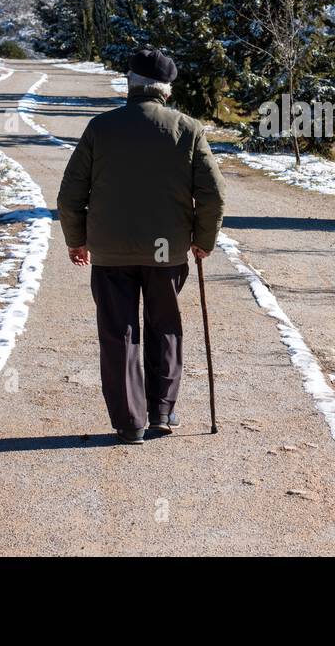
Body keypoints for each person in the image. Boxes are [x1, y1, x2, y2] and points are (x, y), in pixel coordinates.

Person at [57, 48, 226, 444]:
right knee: (164, 325)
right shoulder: (188, 129)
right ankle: (162, 411)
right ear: (166, 90)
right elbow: (214, 196)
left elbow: (69, 196)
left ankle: (129, 422)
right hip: (167, 252)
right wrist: (203, 241)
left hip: (110, 252)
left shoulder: (100, 129)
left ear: (129, 83)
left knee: (119, 333)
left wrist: (76, 240)